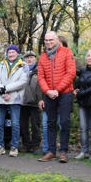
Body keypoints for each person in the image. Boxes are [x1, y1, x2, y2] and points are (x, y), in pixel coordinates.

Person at [38, 31, 76, 162]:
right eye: (46, 40)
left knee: (64, 122)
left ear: (57, 40)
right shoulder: (42, 57)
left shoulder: (67, 52)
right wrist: (48, 91)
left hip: (65, 93)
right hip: (49, 94)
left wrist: (57, 90)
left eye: (51, 40)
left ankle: (63, 151)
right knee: (50, 123)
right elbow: (41, 77)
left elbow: (71, 73)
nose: (48, 42)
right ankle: (51, 151)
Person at [0, 45, 28, 157]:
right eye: (9, 52)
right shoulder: (2, 64)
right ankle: (0, 146)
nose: (11, 54)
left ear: (18, 53)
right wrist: (2, 91)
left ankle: (14, 147)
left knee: (15, 124)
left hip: (15, 98)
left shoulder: (23, 65)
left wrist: (6, 89)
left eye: (13, 52)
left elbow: (22, 82)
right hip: (1, 98)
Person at [74, 48, 91, 159]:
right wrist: (75, 89)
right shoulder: (83, 70)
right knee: (83, 128)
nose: (90, 58)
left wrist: (80, 93)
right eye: (88, 55)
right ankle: (84, 151)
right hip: (82, 103)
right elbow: (79, 84)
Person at [20, 51, 42, 154]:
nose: (29, 59)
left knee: (35, 125)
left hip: (35, 103)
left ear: (35, 59)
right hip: (22, 102)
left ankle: (35, 146)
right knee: (23, 125)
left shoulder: (40, 70)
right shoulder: (21, 70)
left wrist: (40, 99)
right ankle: (26, 145)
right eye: (27, 58)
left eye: (31, 57)